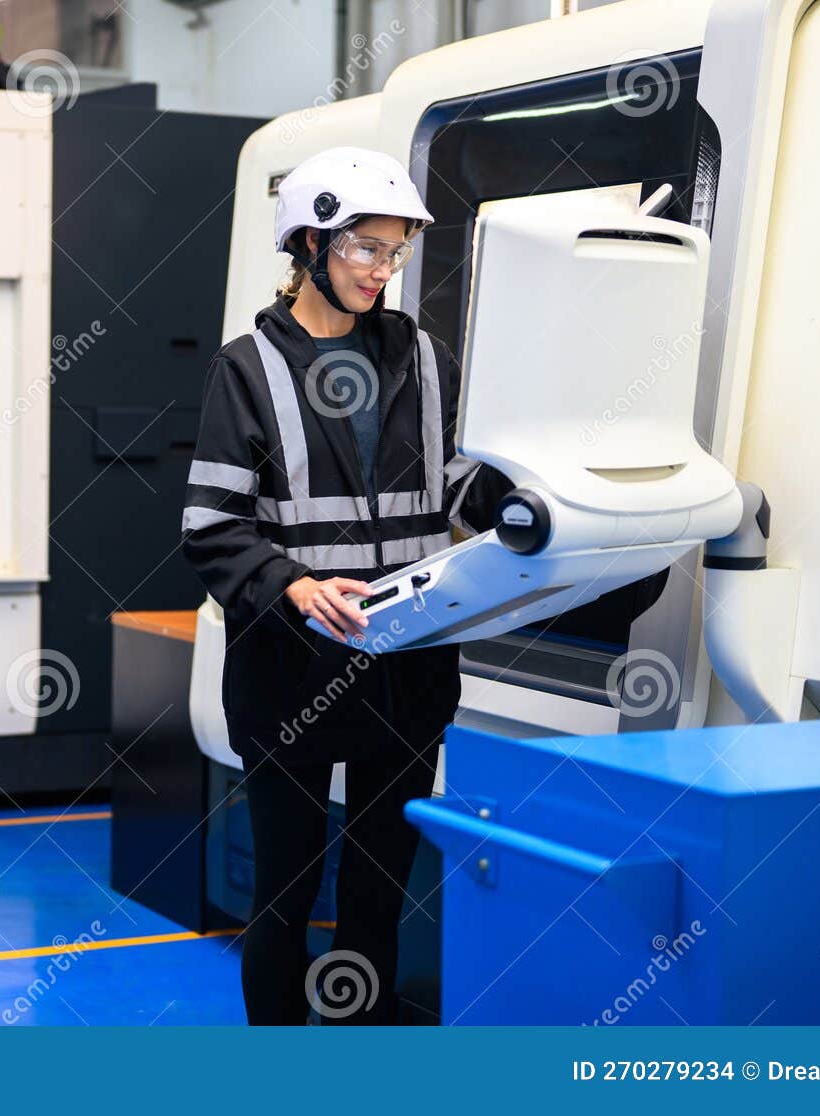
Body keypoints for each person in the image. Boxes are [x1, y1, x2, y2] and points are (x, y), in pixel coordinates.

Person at [182, 147, 508, 1024]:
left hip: (408, 676)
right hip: (291, 676)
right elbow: (211, 528)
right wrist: (291, 585)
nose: (382, 270)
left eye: (395, 250)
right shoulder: (247, 368)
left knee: (375, 894)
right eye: (366, 247)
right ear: (309, 244)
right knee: (286, 897)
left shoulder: (425, 359)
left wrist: (538, 505)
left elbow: (462, 486)